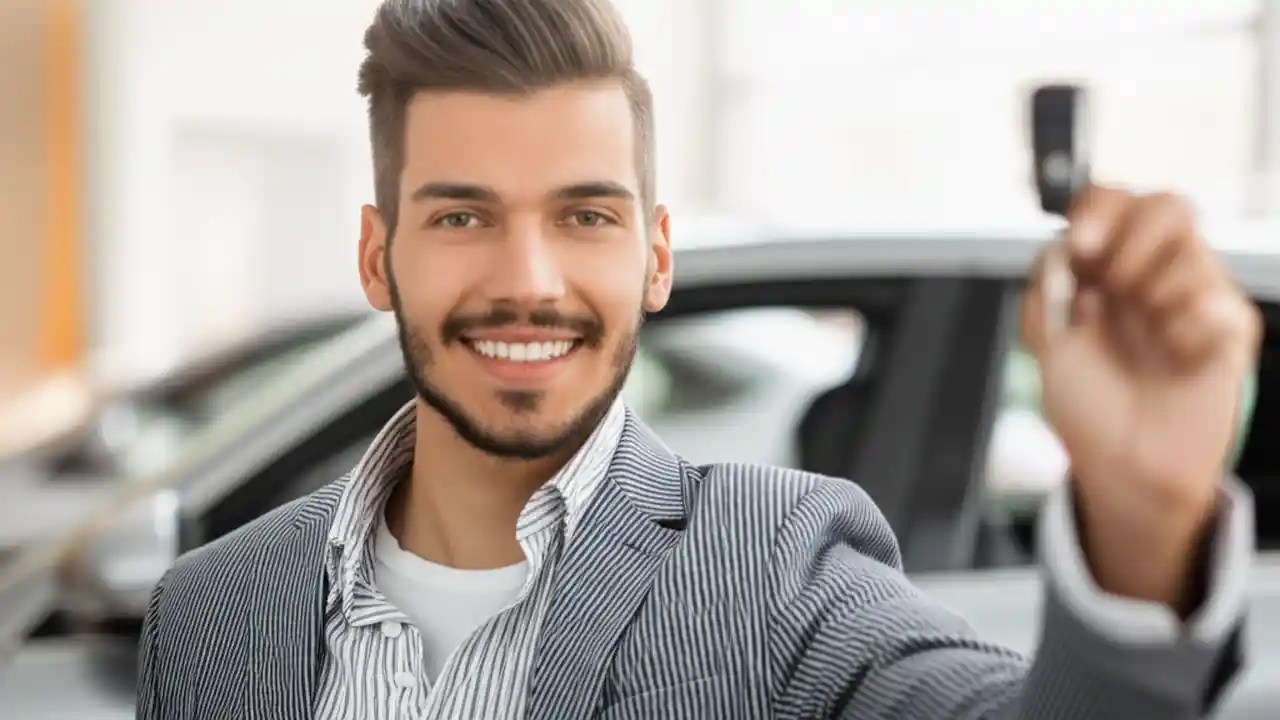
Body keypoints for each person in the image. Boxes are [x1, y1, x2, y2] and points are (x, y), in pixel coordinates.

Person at [135, 1, 1260, 718]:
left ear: (655, 257)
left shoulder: (772, 563)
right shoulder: (211, 613)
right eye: (463, 217)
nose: (529, 279)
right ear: (378, 257)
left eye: (584, 216)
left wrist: (1140, 528)